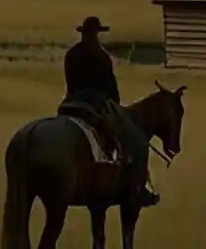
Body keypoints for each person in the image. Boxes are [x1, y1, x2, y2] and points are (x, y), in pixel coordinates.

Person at [63, 15, 160, 207]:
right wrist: (115, 105)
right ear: (97, 33)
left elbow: (70, 82)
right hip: (96, 104)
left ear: (83, 33)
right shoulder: (101, 56)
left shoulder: (71, 54)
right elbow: (111, 88)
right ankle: (140, 187)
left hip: (70, 103)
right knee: (133, 138)